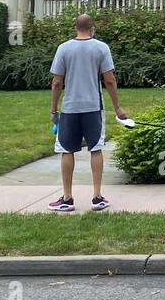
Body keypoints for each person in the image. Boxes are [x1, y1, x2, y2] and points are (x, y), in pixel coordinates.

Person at [47, 13, 128, 212]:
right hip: (93, 107)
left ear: (75, 27)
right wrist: (117, 106)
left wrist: (53, 109)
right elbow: (109, 80)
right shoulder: (101, 48)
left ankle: (67, 198)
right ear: (92, 28)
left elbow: (57, 82)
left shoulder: (64, 49)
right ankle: (97, 196)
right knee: (96, 149)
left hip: (69, 108)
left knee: (66, 150)